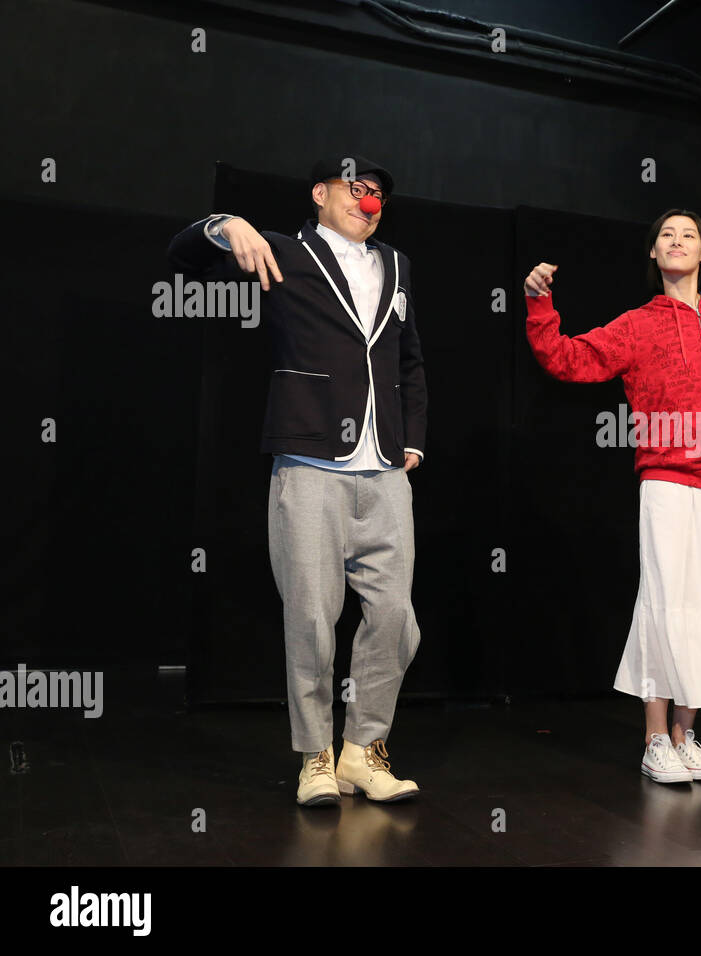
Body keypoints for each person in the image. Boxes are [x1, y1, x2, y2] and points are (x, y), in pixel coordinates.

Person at [167, 155, 428, 806]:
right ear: (320, 193)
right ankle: (316, 756)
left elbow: (409, 357)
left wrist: (414, 440)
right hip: (310, 460)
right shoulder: (286, 252)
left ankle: (363, 751)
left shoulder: (396, 266)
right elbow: (182, 258)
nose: (368, 203)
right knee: (311, 617)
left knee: (396, 618)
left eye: (378, 196)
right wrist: (225, 225)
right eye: (355, 190)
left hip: (386, 466)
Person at [523, 209, 701, 783]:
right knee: (669, 604)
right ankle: (655, 739)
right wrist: (540, 304)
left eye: (690, 235)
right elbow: (567, 358)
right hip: (668, 478)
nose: (679, 241)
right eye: (667, 234)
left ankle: (688, 736)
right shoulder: (640, 325)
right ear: (654, 254)